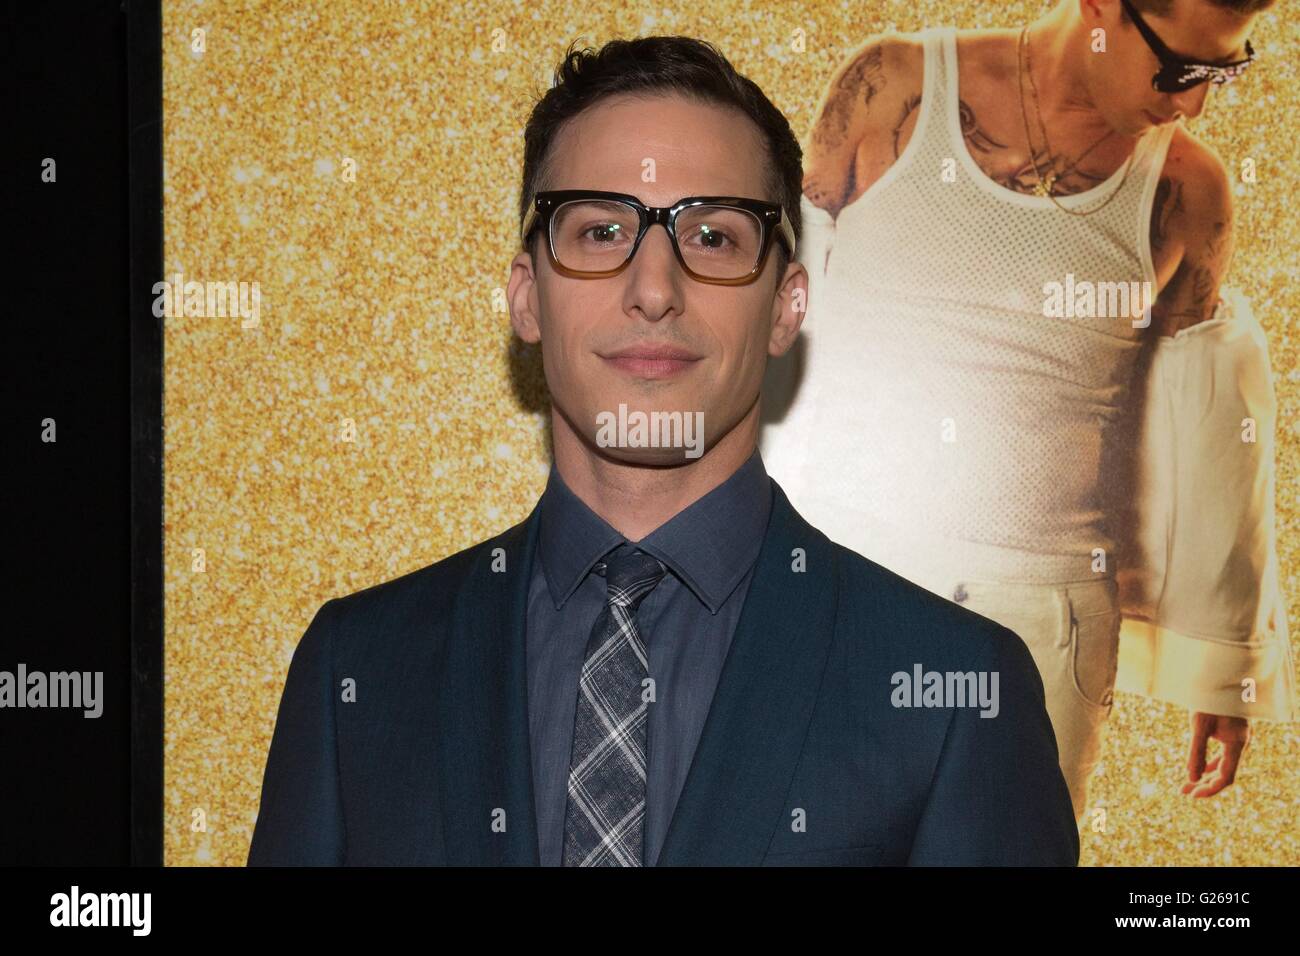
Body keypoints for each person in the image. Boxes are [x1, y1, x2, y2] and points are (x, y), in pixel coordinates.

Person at [248, 35, 1079, 866]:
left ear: (787, 305)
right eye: (602, 230)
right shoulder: (358, 669)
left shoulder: (959, 694)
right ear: (527, 298)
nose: (654, 289)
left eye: (713, 236)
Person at [761, 0, 1296, 825]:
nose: (1193, 103)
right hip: (847, 576)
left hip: (1045, 621)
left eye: (1223, 73)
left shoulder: (1188, 189)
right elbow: (770, 308)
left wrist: (1224, 664)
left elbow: (1210, 431)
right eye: (1182, 71)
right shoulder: (893, 85)